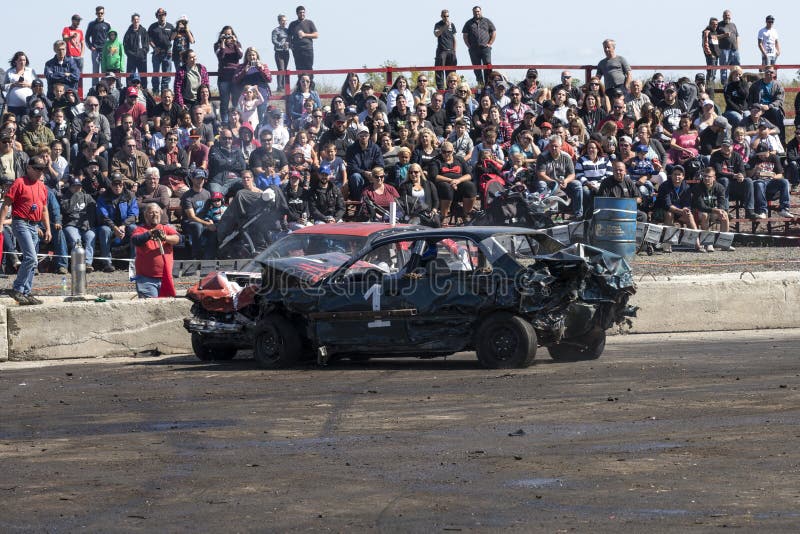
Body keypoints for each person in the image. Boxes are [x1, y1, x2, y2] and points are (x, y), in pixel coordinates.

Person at [0, 156, 51, 304]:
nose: (40, 172)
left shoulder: (42, 187)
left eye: (41, 169)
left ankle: (26, 292)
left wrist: (47, 228)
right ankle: (17, 288)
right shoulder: (19, 182)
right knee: (31, 258)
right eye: (37, 169)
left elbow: (44, 209)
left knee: (33, 261)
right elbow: (6, 204)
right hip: (21, 222)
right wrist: (1, 223)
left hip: (34, 225)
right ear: (28, 168)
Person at [131, 203, 180, 298]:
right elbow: (136, 240)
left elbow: (178, 239)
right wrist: (150, 233)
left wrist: (164, 237)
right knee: (151, 308)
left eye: (157, 212)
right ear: (145, 215)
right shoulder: (140, 230)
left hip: (166, 277)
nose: (155, 214)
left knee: (166, 308)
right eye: (151, 212)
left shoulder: (166, 229)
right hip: (146, 279)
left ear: (161, 214)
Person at [96, 173, 139, 272]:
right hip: (109, 226)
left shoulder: (130, 195)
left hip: (125, 226)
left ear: (123, 184)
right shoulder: (103, 197)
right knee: (104, 230)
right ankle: (107, 263)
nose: (117, 187)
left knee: (135, 229)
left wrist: (123, 226)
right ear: (111, 185)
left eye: (120, 184)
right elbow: (103, 216)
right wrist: (115, 228)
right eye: (115, 184)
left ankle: (134, 262)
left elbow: (133, 214)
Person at [655, 165, 699, 252]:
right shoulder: (665, 186)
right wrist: (681, 211)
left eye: (679, 174)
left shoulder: (686, 187)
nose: (677, 177)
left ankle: (697, 243)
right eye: (675, 174)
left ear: (683, 176)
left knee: (689, 215)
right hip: (661, 211)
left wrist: (685, 210)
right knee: (669, 213)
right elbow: (667, 205)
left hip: (679, 212)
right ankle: (667, 244)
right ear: (671, 175)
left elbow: (687, 203)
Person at [709, 138, 755, 219]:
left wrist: (741, 176)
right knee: (725, 180)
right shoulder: (715, 156)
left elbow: (743, 171)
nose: (726, 148)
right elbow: (718, 172)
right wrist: (733, 175)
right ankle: (725, 210)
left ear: (732, 147)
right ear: (721, 147)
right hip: (720, 185)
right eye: (724, 146)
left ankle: (749, 210)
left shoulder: (737, 156)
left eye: (728, 146)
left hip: (735, 185)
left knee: (748, 181)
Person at [747, 142, 794, 219]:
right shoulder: (754, 159)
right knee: (759, 184)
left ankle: (784, 208)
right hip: (758, 182)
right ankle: (762, 211)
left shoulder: (774, 158)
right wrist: (755, 168)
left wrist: (773, 176)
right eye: (760, 154)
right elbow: (748, 175)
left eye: (763, 154)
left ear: (768, 151)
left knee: (785, 181)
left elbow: (780, 174)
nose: (761, 156)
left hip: (771, 182)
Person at [60, 174, 97, 272]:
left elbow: (92, 212)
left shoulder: (87, 197)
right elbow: (66, 210)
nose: (77, 188)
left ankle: (88, 263)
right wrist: (75, 196)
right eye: (74, 186)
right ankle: (79, 263)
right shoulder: (64, 198)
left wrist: (87, 224)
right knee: (76, 240)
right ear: (70, 187)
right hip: (71, 224)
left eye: (79, 186)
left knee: (91, 237)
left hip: (86, 225)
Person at [431, 140, 475, 221]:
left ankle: (466, 215)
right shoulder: (436, 161)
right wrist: (451, 180)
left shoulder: (459, 160)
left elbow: (469, 175)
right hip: (443, 186)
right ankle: (443, 216)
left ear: (453, 151)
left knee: (470, 186)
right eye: (444, 152)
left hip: (459, 184)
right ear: (441, 151)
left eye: (449, 152)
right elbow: (434, 176)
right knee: (446, 187)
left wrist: (458, 180)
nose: (446, 154)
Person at [692, 168, 732, 252]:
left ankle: (724, 244)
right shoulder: (697, 188)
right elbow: (701, 206)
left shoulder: (720, 187)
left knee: (724, 214)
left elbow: (722, 203)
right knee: (705, 215)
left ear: (714, 177)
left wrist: (720, 211)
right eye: (705, 176)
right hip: (700, 211)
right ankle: (708, 243)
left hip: (714, 211)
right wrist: (716, 211)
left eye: (709, 176)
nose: (706, 178)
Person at [180, 168, 216, 259]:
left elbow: (210, 210)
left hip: (204, 221)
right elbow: (191, 217)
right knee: (197, 226)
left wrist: (211, 221)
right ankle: (196, 255)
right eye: (197, 178)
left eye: (202, 178)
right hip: (188, 223)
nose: (200, 181)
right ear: (192, 179)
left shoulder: (207, 193)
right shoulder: (187, 196)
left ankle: (210, 256)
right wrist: (207, 224)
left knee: (215, 227)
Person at [747, 66, 785, 146]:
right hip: (758, 108)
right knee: (750, 114)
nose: (769, 74)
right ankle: (751, 142)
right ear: (764, 73)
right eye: (767, 72)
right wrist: (756, 107)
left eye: (771, 72)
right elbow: (749, 99)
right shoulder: (755, 85)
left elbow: (779, 100)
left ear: (774, 74)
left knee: (776, 111)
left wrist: (769, 106)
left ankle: (781, 142)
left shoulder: (778, 85)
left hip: (771, 108)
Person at [213, 26, 243, 127]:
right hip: (223, 77)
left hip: (236, 76)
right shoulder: (217, 45)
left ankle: (238, 121)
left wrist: (235, 43)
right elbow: (221, 56)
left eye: (229, 34)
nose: (228, 36)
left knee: (236, 100)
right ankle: (225, 122)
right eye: (225, 34)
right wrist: (222, 43)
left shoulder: (237, 44)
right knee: (224, 101)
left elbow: (240, 55)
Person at [233, 48, 272, 126]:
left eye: (253, 55)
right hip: (247, 98)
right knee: (247, 118)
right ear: (246, 56)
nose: (251, 57)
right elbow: (235, 80)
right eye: (249, 55)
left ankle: (260, 135)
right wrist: (244, 71)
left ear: (257, 56)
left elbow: (269, 79)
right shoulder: (241, 67)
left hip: (261, 95)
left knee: (261, 118)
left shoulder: (263, 65)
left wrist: (261, 68)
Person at [345, 125, 383, 200]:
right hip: (359, 175)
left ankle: (376, 200)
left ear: (369, 136)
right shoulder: (351, 149)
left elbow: (380, 164)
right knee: (355, 177)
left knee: (379, 176)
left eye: (366, 135)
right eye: (361, 135)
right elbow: (351, 166)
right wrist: (364, 172)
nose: (364, 137)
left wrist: (373, 174)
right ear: (357, 136)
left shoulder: (375, 148)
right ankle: (359, 201)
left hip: (372, 175)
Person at [461, 6, 495, 86]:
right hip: (474, 49)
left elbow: (494, 32)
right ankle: (480, 84)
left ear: (481, 11)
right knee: (477, 68)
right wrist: (469, 46)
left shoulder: (487, 21)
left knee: (488, 66)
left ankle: (488, 84)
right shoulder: (468, 23)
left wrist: (490, 44)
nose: (477, 13)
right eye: (475, 11)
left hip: (485, 48)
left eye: (478, 11)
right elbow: (465, 35)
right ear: (473, 12)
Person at [208, 128, 247, 194]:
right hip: (218, 181)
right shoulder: (214, 149)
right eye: (224, 138)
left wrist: (225, 163)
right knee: (216, 196)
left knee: (250, 186)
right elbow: (218, 163)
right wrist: (234, 162)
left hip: (236, 179)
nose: (227, 140)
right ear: (220, 139)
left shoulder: (237, 150)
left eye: (230, 138)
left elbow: (243, 166)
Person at [148, 7, 175, 95]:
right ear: (157, 16)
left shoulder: (171, 26)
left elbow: (174, 38)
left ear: (165, 15)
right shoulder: (152, 27)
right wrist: (154, 48)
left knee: (166, 74)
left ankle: (165, 93)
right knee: (156, 73)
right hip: (156, 53)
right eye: (160, 15)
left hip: (167, 53)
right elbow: (148, 39)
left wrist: (171, 49)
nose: (162, 16)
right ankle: (155, 92)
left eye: (163, 14)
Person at [288, 5, 319, 79]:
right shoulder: (292, 24)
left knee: (309, 68)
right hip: (297, 50)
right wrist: (290, 45)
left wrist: (305, 35)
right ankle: (300, 86)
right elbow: (289, 37)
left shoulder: (309, 23)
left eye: (303, 12)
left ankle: (310, 85)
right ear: (297, 13)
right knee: (299, 68)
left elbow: (316, 35)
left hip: (308, 49)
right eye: (300, 12)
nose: (302, 14)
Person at [3, 52, 37, 119]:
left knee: (26, 123)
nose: (22, 62)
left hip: (28, 105)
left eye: (24, 60)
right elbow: (4, 86)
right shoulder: (10, 71)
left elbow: (37, 85)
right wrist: (13, 84)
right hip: (12, 105)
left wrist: (27, 84)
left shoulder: (31, 71)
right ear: (15, 61)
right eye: (20, 60)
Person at [85, 6, 110, 87]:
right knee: (95, 71)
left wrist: (109, 48)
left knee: (104, 71)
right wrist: (90, 47)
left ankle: (104, 87)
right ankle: (94, 88)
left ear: (104, 13)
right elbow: (87, 37)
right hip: (95, 50)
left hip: (104, 50)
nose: (100, 15)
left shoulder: (107, 24)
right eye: (98, 13)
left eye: (101, 13)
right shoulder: (91, 24)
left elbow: (111, 37)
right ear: (96, 13)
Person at [433, 9, 457, 91]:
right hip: (442, 50)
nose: (446, 18)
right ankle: (441, 88)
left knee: (451, 71)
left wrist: (454, 50)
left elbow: (454, 38)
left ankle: (450, 87)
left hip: (451, 51)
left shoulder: (452, 25)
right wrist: (444, 27)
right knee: (439, 70)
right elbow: (436, 34)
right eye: (444, 16)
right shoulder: (438, 25)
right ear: (441, 16)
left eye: (447, 16)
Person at [62, 15, 85, 97]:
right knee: (69, 74)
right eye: (77, 20)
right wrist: (71, 36)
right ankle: (70, 92)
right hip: (69, 56)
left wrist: (82, 55)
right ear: (72, 20)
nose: (78, 22)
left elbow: (82, 43)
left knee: (79, 75)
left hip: (79, 56)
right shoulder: (66, 29)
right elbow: (64, 39)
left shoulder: (80, 31)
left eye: (79, 20)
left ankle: (78, 93)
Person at [123, 14, 148, 84]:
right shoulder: (128, 33)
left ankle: (144, 91)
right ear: (132, 21)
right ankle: (129, 90)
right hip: (131, 58)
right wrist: (132, 55)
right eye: (134, 20)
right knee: (130, 76)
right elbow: (125, 47)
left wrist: (142, 53)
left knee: (143, 76)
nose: (136, 21)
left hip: (142, 58)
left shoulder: (143, 31)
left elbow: (146, 44)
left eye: (137, 19)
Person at [717, 10, 740, 87]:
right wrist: (724, 35)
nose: (727, 16)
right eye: (725, 15)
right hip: (724, 49)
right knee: (724, 67)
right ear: (723, 16)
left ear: (731, 16)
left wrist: (738, 47)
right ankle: (725, 84)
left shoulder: (733, 25)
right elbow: (714, 37)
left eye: (728, 15)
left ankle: (736, 81)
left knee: (736, 66)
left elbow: (737, 36)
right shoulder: (719, 25)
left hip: (734, 49)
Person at [272, 15, 290, 92]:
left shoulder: (287, 30)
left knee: (285, 70)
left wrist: (289, 44)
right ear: (279, 21)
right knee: (281, 69)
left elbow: (290, 39)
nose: (284, 22)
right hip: (279, 52)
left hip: (286, 52)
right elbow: (274, 40)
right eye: (282, 20)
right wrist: (281, 44)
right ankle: (279, 87)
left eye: (285, 20)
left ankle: (284, 87)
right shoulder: (276, 30)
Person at [701, 18, 721, 89]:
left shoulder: (715, 32)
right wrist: (710, 54)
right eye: (713, 24)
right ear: (710, 24)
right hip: (711, 56)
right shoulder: (706, 32)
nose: (715, 25)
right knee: (711, 73)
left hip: (716, 55)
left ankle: (711, 88)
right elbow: (705, 44)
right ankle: (709, 88)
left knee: (714, 73)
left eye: (716, 24)